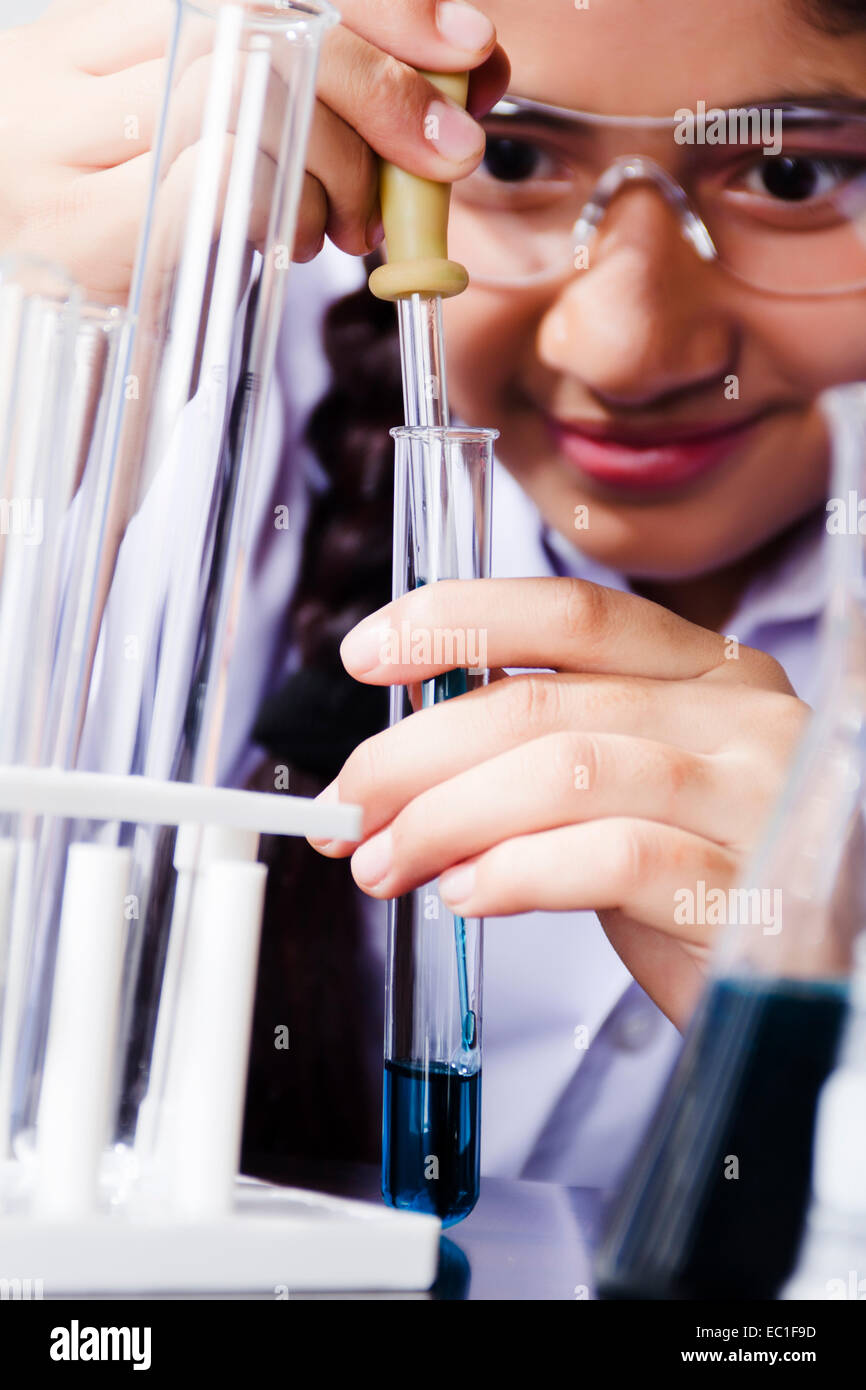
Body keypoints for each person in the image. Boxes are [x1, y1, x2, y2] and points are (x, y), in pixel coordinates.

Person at [3, 0, 865, 1189]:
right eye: (508, 157)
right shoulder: (187, 389)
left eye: (785, 172)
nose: (620, 348)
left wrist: (836, 1044)